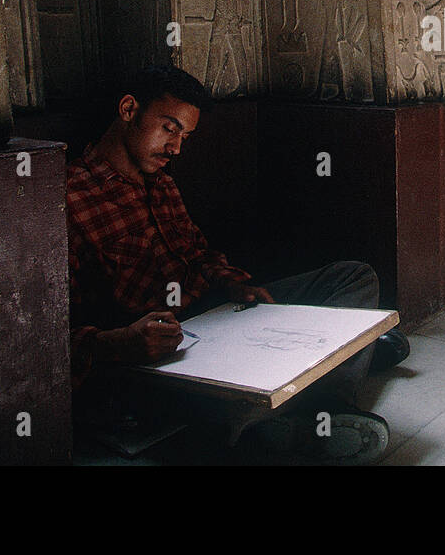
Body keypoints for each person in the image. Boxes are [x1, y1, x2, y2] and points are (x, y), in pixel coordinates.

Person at [67, 64, 409, 463]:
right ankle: (319, 395)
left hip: (218, 316)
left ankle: (319, 403)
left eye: (185, 136)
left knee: (354, 277)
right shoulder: (69, 198)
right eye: (169, 128)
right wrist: (120, 343)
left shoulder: (161, 182)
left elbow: (199, 254)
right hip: (162, 356)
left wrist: (235, 284)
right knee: (202, 415)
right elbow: (52, 342)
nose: (176, 148)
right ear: (128, 109)